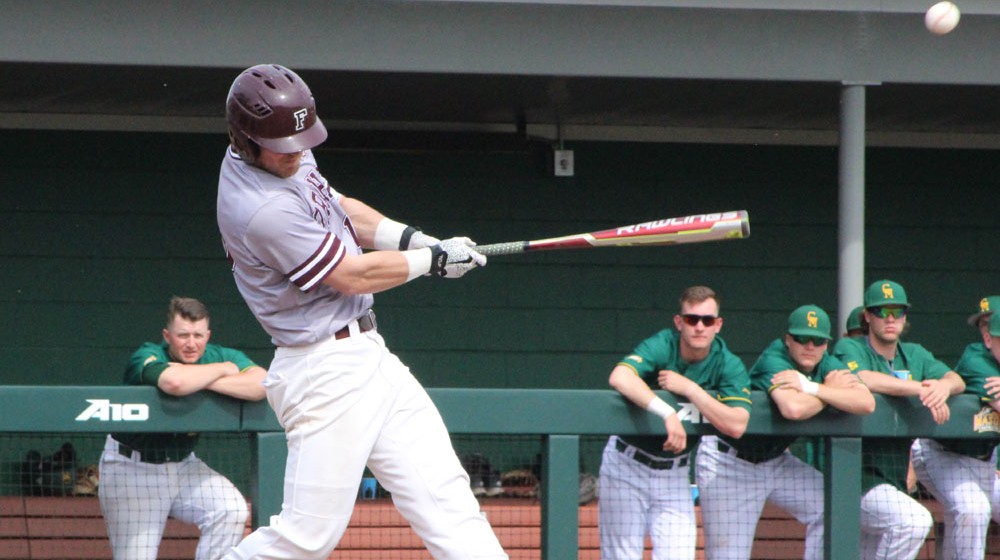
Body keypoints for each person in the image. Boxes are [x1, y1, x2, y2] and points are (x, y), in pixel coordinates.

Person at [216, 64, 506, 560]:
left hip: (369, 356)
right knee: (306, 539)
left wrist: (421, 241)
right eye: (285, 144)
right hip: (322, 371)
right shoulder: (260, 208)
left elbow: (341, 208)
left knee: (446, 500)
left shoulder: (287, 155)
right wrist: (432, 262)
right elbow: (350, 274)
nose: (298, 152)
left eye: (302, 139)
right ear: (246, 138)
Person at [98, 296, 268, 560]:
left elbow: (262, 383)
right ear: (167, 335)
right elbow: (174, 382)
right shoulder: (147, 353)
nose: (191, 343)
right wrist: (224, 372)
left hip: (183, 465)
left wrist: (207, 379)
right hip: (132, 467)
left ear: (208, 334)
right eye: (183, 335)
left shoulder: (217, 356)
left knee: (231, 509)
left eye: (198, 335)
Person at [702, 304, 875, 559]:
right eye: (802, 338)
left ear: (826, 345)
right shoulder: (774, 358)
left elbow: (867, 403)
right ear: (788, 340)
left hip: (776, 461)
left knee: (831, 507)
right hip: (730, 462)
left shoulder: (827, 363)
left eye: (817, 341)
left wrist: (813, 389)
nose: (809, 346)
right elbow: (793, 408)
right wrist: (829, 391)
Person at [599, 285, 751, 560]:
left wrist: (692, 389)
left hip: (674, 472)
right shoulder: (663, 344)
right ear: (679, 322)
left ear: (718, 325)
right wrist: (666, 412)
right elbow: (619, 377)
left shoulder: (728, 363)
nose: (699, 327)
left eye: (707, 320)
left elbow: (737, 425)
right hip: (626, 463)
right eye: (692, 319)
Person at [833, 279, 966, 560]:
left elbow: (956, 379)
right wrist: (921, 388)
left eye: (898, 311)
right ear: (867, 316)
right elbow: (863, 378)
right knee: (914, 521)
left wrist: (942, 387)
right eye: (882, 311)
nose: (890, 318)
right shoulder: (852, 349)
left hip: (890, 478)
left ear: (905, 317)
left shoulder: (914, 354)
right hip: (853, 476)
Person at [910, 298, 1000, 559]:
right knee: (973, 508)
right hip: (941, 453)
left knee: (964, 515)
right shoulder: (976, 359)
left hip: (984, 460)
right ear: (987, 338)